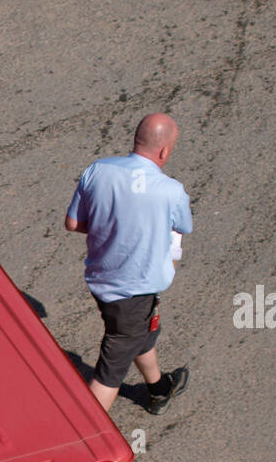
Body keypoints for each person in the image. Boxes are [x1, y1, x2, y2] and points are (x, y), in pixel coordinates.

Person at [64, 113, 193, 414]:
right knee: (109, 372)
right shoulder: (171, 190)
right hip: (132, 293)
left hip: (101, 281)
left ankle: (159, 388)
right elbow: (182, 227)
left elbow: (73, 223)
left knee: (139, 335)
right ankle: (86, 443)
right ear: (164, 151)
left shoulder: (97, 170)